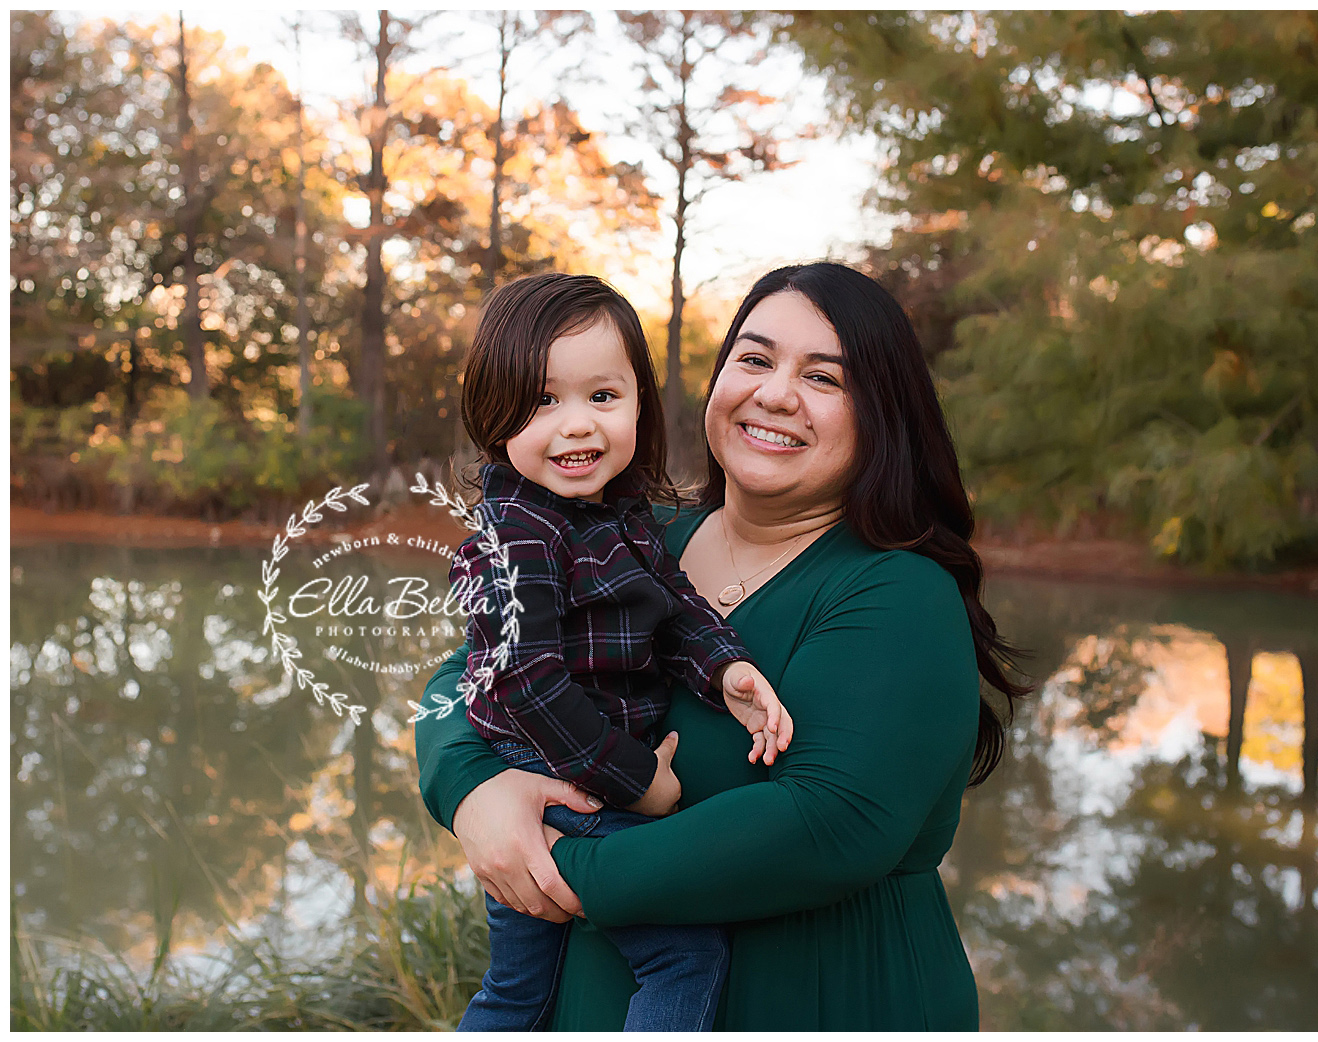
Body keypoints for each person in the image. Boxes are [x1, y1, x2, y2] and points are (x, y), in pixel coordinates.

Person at [416, 262, 1030, 1030]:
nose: (775, 394)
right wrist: (474, 795)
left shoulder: (898, 593)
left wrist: (552, 865)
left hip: (816, 997)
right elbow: (465, 675)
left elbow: (827, 824)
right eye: (754, 358)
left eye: (823, 378)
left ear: (884, 416)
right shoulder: (632, 533)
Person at [442, 272, 794, 1031]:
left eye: (602, 396)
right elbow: (523, 683)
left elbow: (674, 610)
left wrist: (725, 668)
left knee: (519, 990)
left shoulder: (622, 518)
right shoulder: (518, 535)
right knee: (683, 956)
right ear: (495, 412)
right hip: (560, 778)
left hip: (577, 772)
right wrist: (640, 785)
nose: (578, 426)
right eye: (543, 401)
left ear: (640, 403)